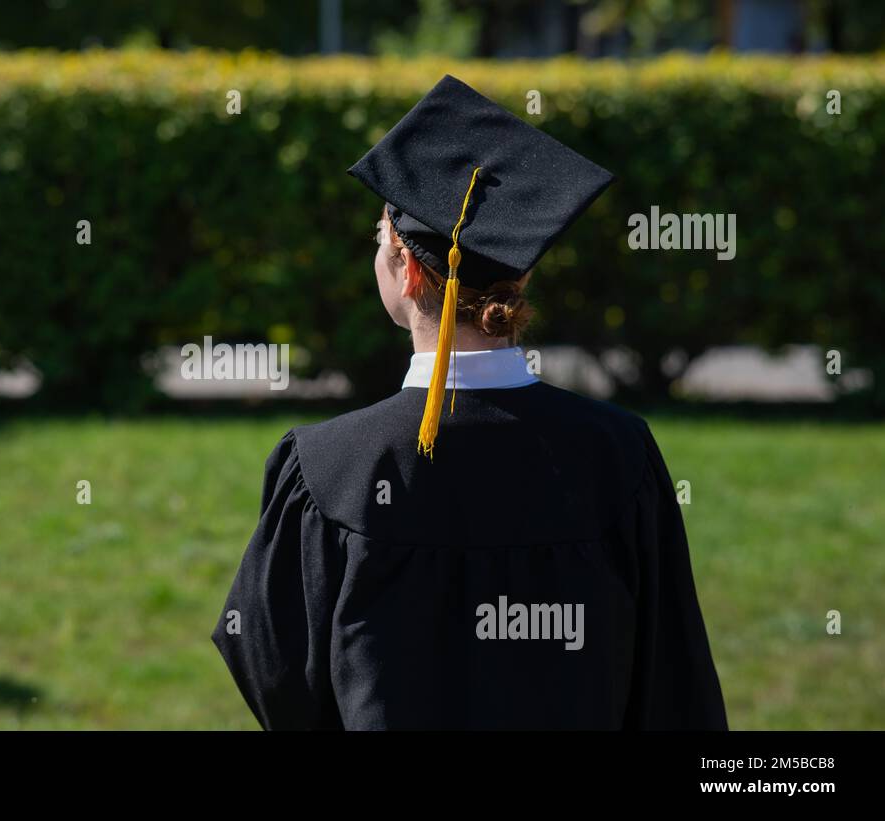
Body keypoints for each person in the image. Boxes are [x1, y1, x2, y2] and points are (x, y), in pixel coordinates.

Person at [210, 75, 728, 730]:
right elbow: (673, 688)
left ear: (407, 268)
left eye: (379, 241)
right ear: (525, 273)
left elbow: (275, 674)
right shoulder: (617, 457)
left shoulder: (326, 471)